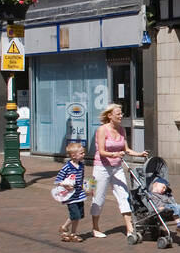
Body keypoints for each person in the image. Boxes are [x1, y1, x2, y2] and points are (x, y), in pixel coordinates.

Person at [90, 104, 147, 241]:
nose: (121, 116)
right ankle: (95, 228)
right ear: (110, 116)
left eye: (121, 114)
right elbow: (102, 152)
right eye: (118, 114)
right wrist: (115, 154)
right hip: (101, 168)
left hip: (117, 167)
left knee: (124, 195)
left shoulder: (121, 130)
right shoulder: (102, 130)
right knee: (98, 197)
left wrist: (139, 154)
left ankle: (129, 228)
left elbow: (126, 149)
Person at [54, 141, 86, 242]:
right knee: (75, 215)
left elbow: (81, 179)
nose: (83, 154)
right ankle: (68, 230)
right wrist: (65, 184)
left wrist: (87, 188)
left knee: (79, 215)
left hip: (79, 194)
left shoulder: (81, 166)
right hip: (70, 196)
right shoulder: (67, 167)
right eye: (81, 153)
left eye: (83, 152)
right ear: (73, 155)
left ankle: (70, 231)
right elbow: (58, 180)